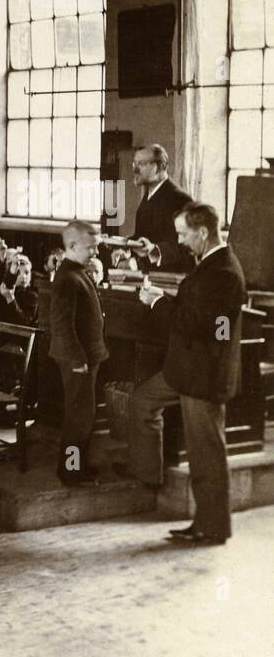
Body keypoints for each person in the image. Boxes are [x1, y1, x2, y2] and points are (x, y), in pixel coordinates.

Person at [120, 204, 246, 545]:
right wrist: (167, 299)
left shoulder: (223, 272)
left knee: (206, 453)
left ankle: (213, 526)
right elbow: (201, 314)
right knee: (143, 402)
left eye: (182, 234)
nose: (180, 241)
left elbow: (200, 326)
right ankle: (149, 480)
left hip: (202, 377)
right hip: (187, 370)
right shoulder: (210, 266)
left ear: (202, 233)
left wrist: (158, 302)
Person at [48, 221, 107, 485]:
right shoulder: (67, 277)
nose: (95, 252)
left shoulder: (77, 271)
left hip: (85, 358)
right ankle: (71, 472)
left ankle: (76, 466)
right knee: (78, 418)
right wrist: (78, 360)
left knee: (83, 416)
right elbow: (62, 325)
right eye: (90, 248)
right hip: (77, 361)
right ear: (71, 246)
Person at [128, 144, 194, 273]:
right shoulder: (149, 195)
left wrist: (154, 249)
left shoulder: (179, 199)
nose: (135, 170)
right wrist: (125, 245)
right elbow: (145, 236)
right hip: (149, 276)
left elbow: (186, 247)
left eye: (141, 164)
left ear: (160, 167)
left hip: (169, 279)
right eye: (134, 164)